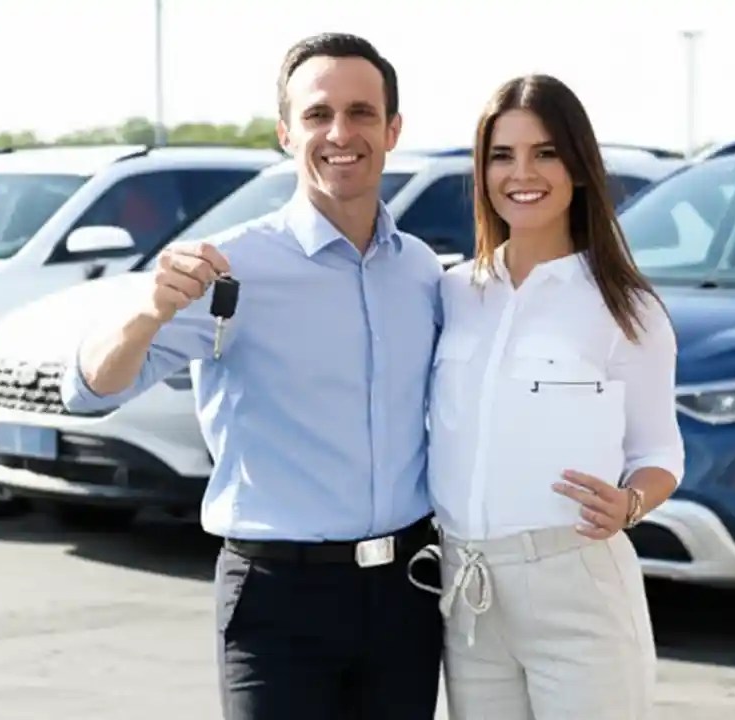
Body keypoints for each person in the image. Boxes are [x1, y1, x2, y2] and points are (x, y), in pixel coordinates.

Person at [58, 33, 445, 720]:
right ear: (285, 134)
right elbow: (89, 388)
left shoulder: (420, 269)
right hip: (279, 598)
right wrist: (149, 310)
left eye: (361, 113)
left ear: (393, 130)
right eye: (317, 115)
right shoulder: (229, 267)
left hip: (407, 595)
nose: (340, 133)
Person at [414, 74, 685, 719]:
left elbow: (661, 451)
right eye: (501, 156)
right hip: (468, 591)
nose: (521, 173)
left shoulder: (628, 308)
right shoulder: (452, 293)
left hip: (576, 586)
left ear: (579, 168)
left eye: (544, 153)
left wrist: (630, 502)